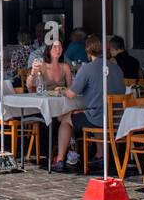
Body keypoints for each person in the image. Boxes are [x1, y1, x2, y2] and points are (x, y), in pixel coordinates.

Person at [54, 36, 126, 172]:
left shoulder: (87, 68)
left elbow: (71, 94)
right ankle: (100, 155)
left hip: (98, 117)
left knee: (65, 119)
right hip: (116, 117)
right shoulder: (116, 68)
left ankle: (60, 159)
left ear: (88, 52)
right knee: (94, 111)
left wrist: (62, 90)